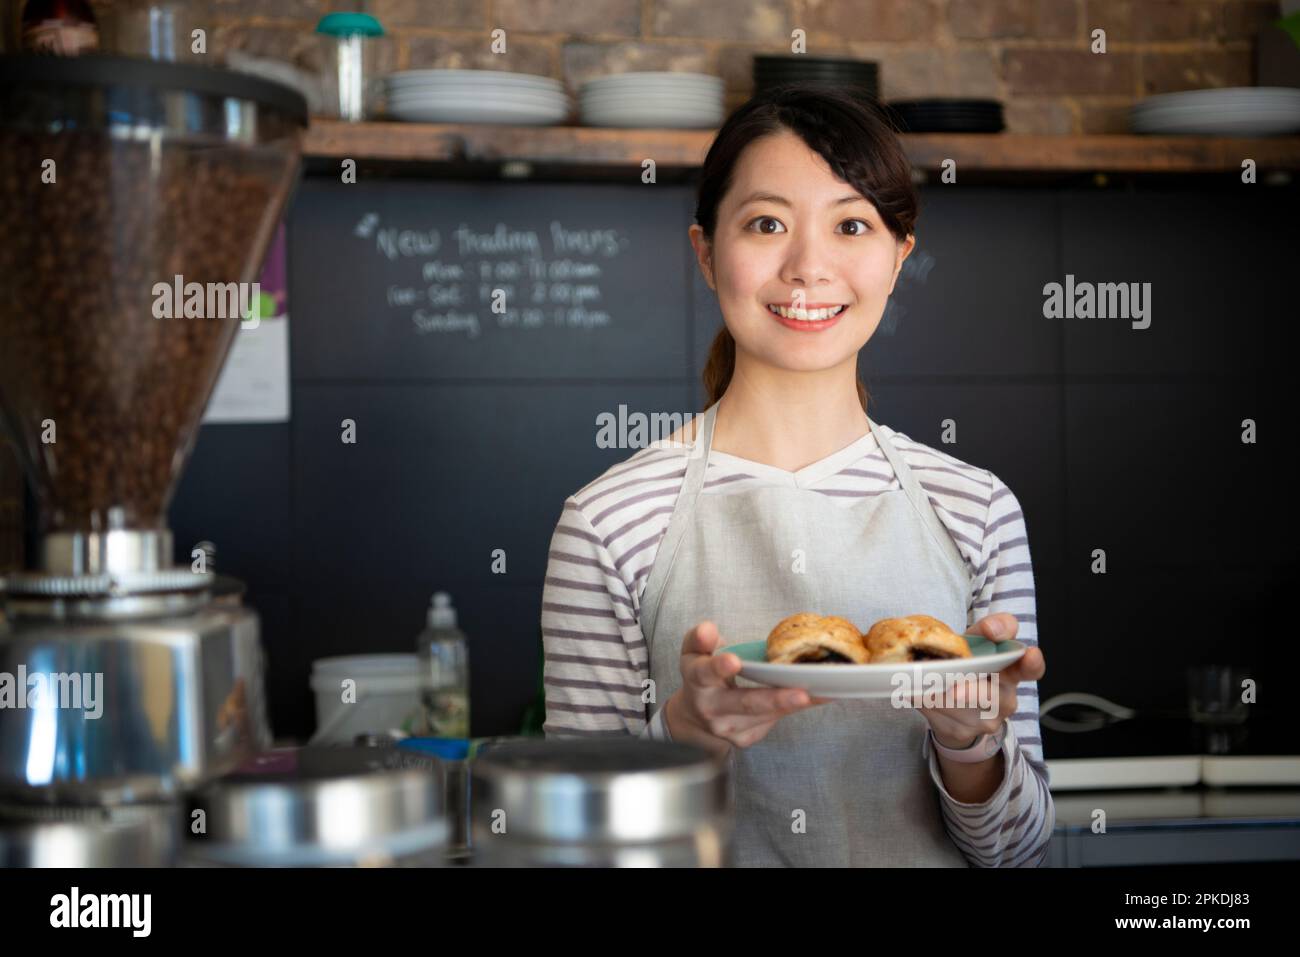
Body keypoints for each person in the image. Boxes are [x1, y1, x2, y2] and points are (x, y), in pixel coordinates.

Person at [540, 84, 1052, 867]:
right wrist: (685, 733)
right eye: (767, 223)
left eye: (851, 224)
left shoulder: (977, 508)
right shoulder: (608, 520)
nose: (809, 267)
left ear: (898, 255)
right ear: (707, 251)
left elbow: (1018, 849)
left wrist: (970, 742)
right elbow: (568, 845)